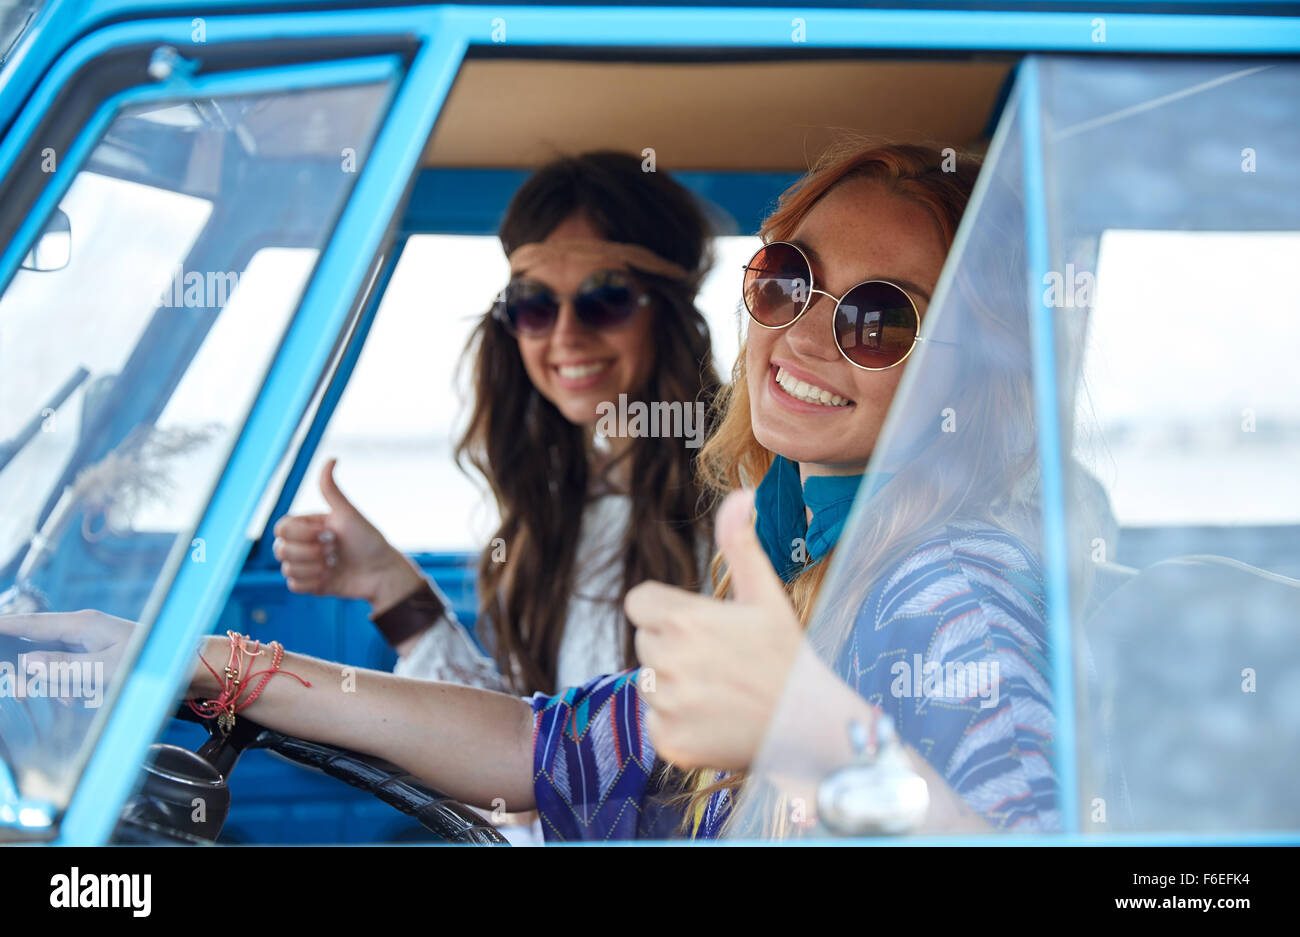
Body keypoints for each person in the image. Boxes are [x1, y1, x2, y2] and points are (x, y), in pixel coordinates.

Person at [5, 142, 1056, 840]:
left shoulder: (943, 584)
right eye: (786, 279)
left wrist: (830, 742)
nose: (805, 335)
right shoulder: (792, 549)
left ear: (974, 370)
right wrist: (203, 665)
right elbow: (541, 746)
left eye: (880, 318)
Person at [270, 151, 721, 696]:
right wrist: (389, 584)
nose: (565, 335)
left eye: (605, 298)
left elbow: (542, 749)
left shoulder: (739, 497)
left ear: (668, 312)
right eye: (534, 304)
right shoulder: (560, 498)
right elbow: (532, 732)